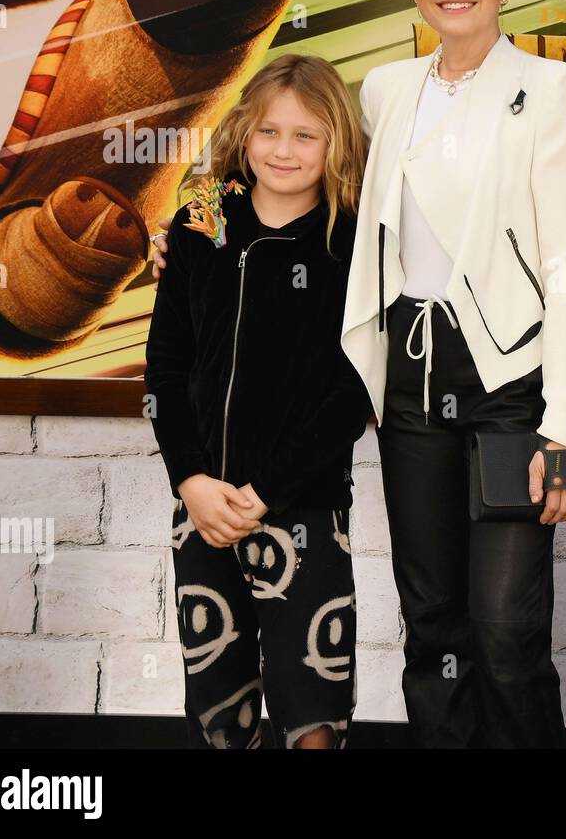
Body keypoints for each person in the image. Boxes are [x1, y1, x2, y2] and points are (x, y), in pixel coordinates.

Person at [340, 0, 566, 748]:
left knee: (506, 628)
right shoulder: (386, 88)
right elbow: (301, 173)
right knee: (432, 622)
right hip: (409, 383)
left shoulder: (553, 88)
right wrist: (196, 231)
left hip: (508, 383)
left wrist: (565, 427)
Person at [144, 53, 373, 749]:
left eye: (306, 135)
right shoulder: (203, 220)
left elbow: (351, 393)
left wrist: (267, 490)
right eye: (269, 131)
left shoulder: (352, 237)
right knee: (220, 704)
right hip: (204, 508)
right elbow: (166, 369)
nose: (283, 150)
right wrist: (191, 480)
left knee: (314, 705)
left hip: (305, 508)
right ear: (245, 132)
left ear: (337, 142)